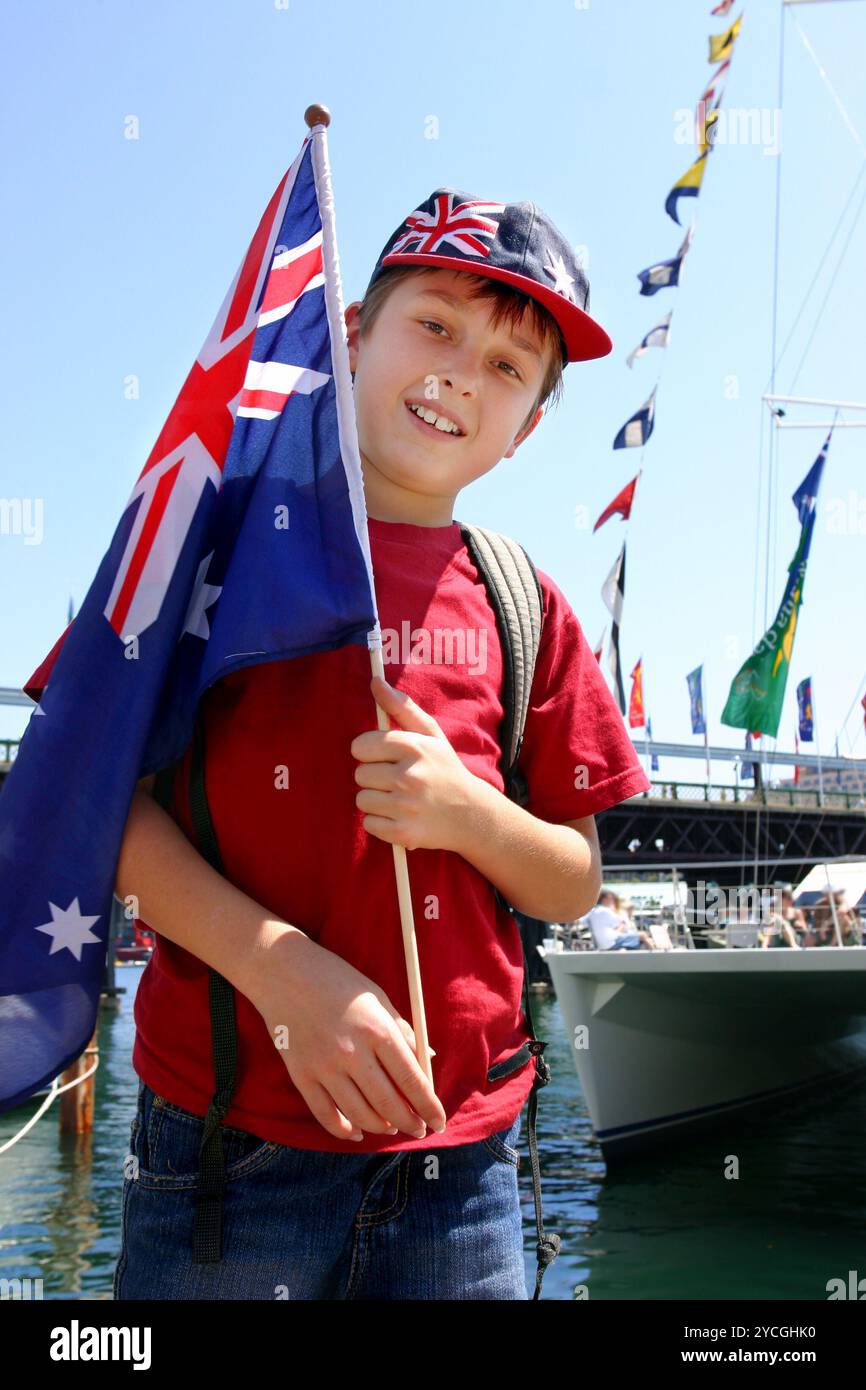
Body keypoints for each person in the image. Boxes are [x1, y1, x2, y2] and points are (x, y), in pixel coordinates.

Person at [109, 187, 651, 1301]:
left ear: (528, 428)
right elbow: (102, 803)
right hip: (228, 1154)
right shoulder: (209, 551)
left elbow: (572, 878)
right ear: (350, 334)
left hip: (466, 1172)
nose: (462, 372)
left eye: (509, 366)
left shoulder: (525, 605)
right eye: (436, 325)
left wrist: (469, 812)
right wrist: (280, 972)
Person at [586, 890, 657, 951]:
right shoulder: (606, 911)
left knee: (639, 936)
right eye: (611, 899)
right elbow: (622, 923)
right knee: (643, 935)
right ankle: (656, 955)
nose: (613, 901)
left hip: (602, 943)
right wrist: (613, 909)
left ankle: (653, 952)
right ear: (604, 900)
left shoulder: (593, 911)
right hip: (611, 942)